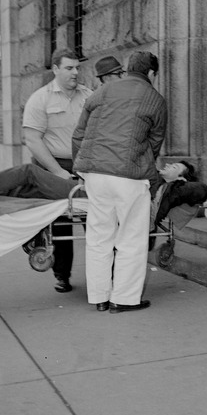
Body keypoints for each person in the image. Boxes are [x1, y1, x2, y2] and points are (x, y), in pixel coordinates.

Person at [72, 51, 166, 313]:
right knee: (132, 238)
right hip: (130, 175)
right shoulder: (155, 99)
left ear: (127, 70)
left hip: (95, 174)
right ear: (150, 73)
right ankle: (123, 299)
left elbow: (79, 135)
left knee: (99, 236)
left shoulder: (101, 93)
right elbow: (154, 143)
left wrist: (83, 171)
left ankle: (99, 298)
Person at [22, 48, 93, 293]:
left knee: (94, 220)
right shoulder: (40, 99)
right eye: (69, 68)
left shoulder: (89, 96)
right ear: (55, 69)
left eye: (77, 67)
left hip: (86, 166)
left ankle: (100, 274)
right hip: (55, 165)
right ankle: (62, 275)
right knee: (60, 223)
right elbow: (32, 139)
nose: (75, 72)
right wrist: (57, 171)